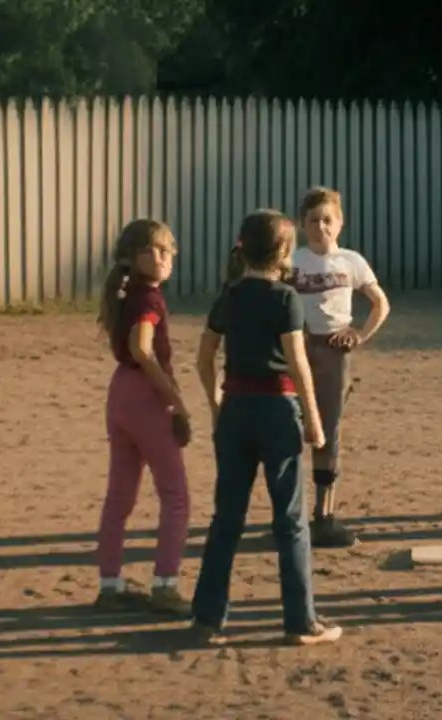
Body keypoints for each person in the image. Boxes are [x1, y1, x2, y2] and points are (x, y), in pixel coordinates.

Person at [190, 209, 342, 646]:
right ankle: (300, 621)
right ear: (283, 252)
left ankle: (206, 618)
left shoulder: (229, 296)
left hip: (236, 408)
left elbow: (204, 359)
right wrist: (314, 421)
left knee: (227, 520)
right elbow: (298, 364)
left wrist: (216, 403)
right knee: (291, 520)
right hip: (277, 409)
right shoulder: (284, 298)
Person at [93, 219, 191, 615]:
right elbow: (141, 349)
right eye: (152, 250)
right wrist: (176, 401)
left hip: (120, 395)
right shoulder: (149, 299)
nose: (163, 257)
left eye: (167, 250)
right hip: (145, 396)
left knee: (119, 496)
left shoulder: (126, 293)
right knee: (176, 496)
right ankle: (165, 585)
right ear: (132, 257)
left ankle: (110, 584)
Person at [286, 186, 391, 548]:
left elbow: (380, 303)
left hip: (334, 352)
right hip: (296, 349)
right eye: (313, 220)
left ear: (340, 222)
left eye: (328, 219)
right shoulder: (293, 261)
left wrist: (360, 334)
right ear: (302, 224)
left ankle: (324, 515)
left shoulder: (351, 261)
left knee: (327, 430)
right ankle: (289, 513)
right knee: (288, 428)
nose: (321, 227)